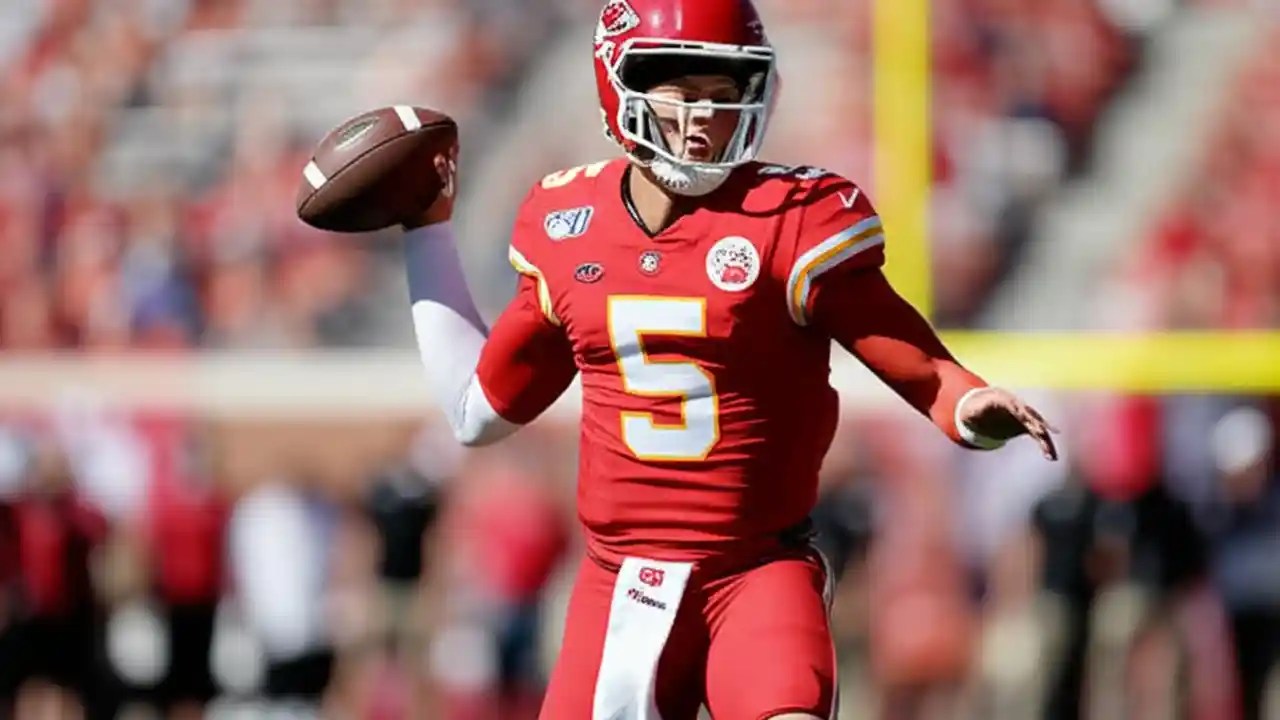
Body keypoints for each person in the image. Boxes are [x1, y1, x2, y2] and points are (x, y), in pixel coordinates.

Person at [396, 1, 1057, 717]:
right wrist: (425, 233)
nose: (704, 119)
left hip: (755, 572)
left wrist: (968, 402)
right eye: (683, 95)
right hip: (618, 580)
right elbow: (478, 411)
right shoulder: (569, 225)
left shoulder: (796, 218)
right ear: (620, 86)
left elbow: (914, 358)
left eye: (725, 96)